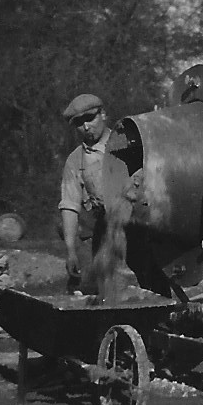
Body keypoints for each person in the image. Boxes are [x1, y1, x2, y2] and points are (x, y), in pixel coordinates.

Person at [58, 93, 130, 295]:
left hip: (140, 228)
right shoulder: (76, 161)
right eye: (79, 123)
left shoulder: (128, 143)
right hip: (107, 234)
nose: (86, 127)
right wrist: (71, 250)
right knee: (110, 291)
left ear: (103, 114)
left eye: (90, 118)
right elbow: (69, 205)